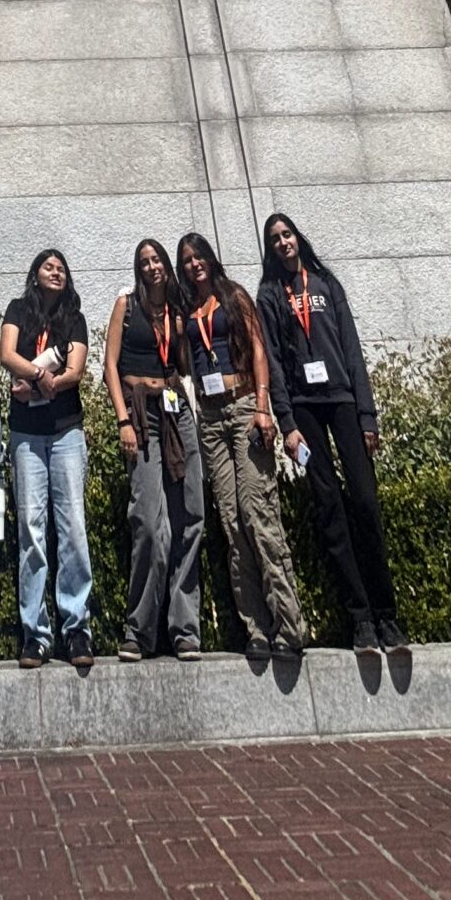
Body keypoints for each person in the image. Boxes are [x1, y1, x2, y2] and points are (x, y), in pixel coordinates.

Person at [259, 210, 405, 655]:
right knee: (329, 508)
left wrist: (367, 416)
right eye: (275, 239)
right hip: (304, 409)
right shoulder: (269, 294)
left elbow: (353, 350)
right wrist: (286, 424)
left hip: (341, 400)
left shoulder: (326, 284)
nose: (284, 242)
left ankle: (388, 615)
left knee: (363, 501)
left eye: (288, 235)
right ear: (270, 249)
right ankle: (359, 618)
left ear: (298, 238)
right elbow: (275, 365)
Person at [176, 230, 307, 659]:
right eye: (187, 260)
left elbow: (256, 347)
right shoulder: (186, 308)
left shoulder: (233, 295)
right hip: (211, 417)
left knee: (258, 513)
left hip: (245, 405)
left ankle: (289, 626)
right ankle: (255, 628)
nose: (194, 265)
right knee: (232, 522)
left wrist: (264, 407)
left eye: (199, 257)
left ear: (211, 259)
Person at [104, 235, 204, 660]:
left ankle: (185, 629)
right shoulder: (127, 304)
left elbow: (183, 365)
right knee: (148, 520)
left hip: (176, 410)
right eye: (144, 261)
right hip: (141, 413)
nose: (152, 266)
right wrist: (123, 419)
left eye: (157, 259)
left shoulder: (177, 311)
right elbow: (109, 365)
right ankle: (139, 630)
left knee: (190, 516)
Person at [0, 246, 92, 667]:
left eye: (61, 269)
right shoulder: (19, 309)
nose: (55, 272)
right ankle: (35, 634)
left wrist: (35, 383)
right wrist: (39, 374)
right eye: (47, 267)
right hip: (25, 434)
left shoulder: (73, 316)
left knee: (72, 527)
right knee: (32, 532)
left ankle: (76, 629)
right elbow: (7, 356)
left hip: (66, 430)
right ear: (35, 273)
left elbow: (75, 371)